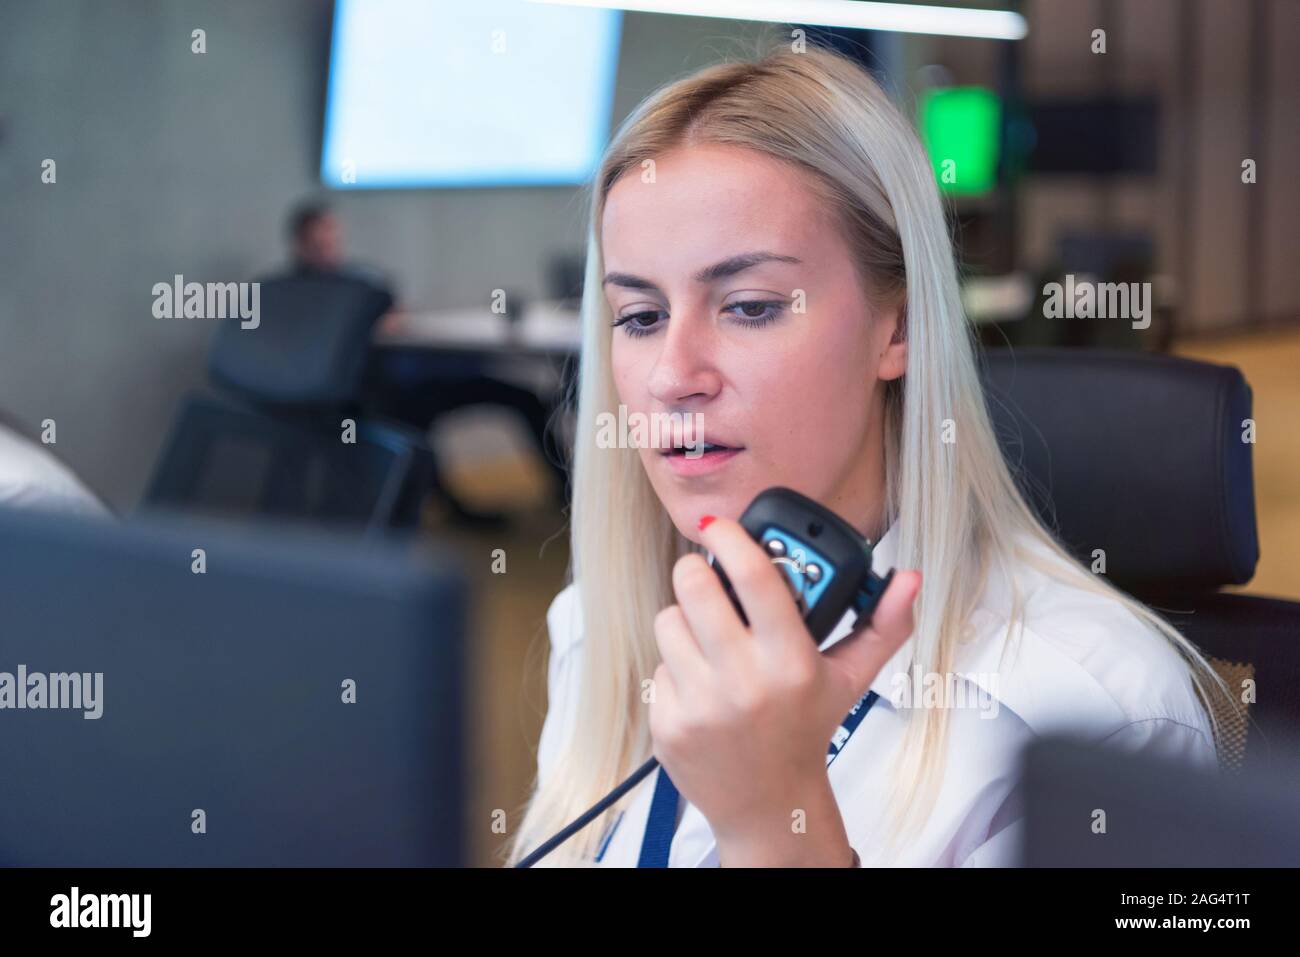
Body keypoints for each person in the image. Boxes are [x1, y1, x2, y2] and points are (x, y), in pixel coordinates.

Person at [506, 45, 1228, 868]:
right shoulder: (603, 625)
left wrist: (779, 826)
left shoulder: (1092, 712)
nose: (673, 375)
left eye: (747, 306)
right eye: (638, 316)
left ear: (901, 327)